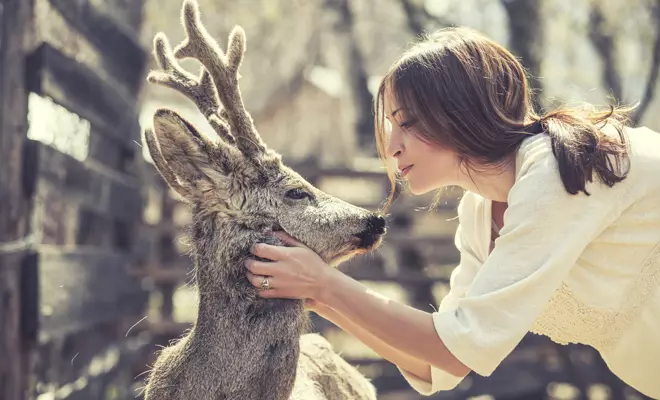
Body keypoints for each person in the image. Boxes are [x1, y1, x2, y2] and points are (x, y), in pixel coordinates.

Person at [244, 26, 660, 398]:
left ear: (460, 113)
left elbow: (456, 348)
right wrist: (315, 292)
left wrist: (325, 284)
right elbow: (436, 364)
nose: (391, 147)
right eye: (391, 125)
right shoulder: (480, 216)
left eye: (406, 123)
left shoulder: (554, 168)